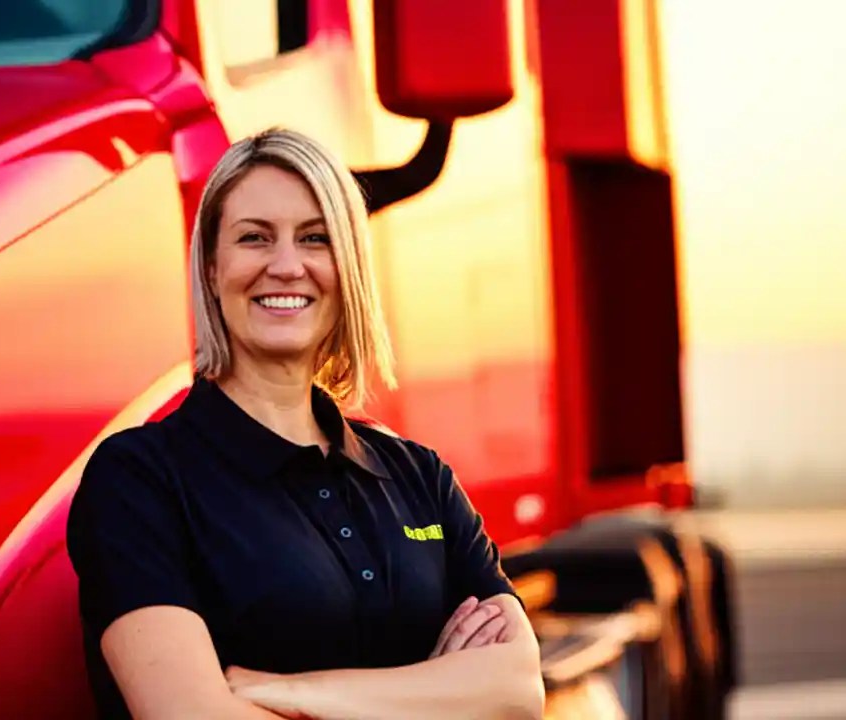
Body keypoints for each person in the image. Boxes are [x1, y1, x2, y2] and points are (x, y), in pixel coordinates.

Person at [66, 128, 544, 719]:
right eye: (254, 238)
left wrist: (296, 694)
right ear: (211, 270)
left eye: (315, 238)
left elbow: (519, 690)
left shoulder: (418, 475)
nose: (287, 266)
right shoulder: (139, 480)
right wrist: (439, 695)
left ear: (348, 272)